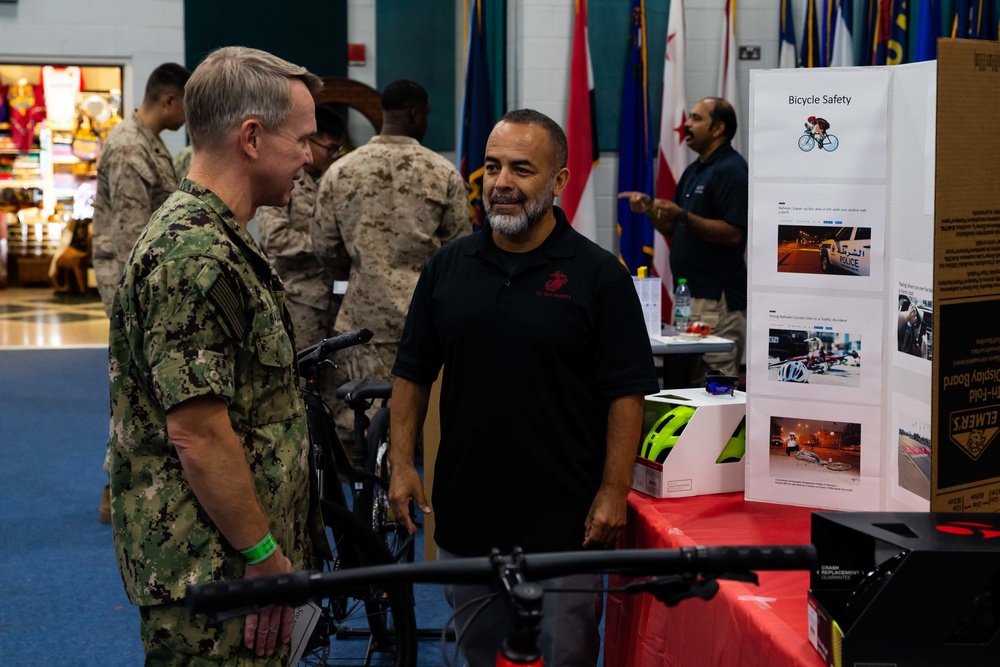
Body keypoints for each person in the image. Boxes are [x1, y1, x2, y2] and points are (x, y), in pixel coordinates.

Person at [388, 109, 659, 667]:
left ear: (558, 181)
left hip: (564, 524)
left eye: (521, 169)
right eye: (492, 167)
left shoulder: (599, 275)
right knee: (481, 656)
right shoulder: (447, 267)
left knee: (565, 657)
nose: (502, 183)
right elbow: (411, 371)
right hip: (466, 519)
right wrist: (400, 464)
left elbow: (626, 393)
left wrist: (613, 491)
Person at [107, 46, 328, 663]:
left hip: (233, 565)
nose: (309, 158)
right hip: (219, 576)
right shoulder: (195, 254)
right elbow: (198, 435)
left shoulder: (219, 237)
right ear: (252, 138)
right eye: (302, 139)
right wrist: (263, 558)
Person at [311, 79, 470, 446]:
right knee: (425, 432)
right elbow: (460, 250)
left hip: (363, 320)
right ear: (416, 114)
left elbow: (325, 247)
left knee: (361, 425)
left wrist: (360, 271)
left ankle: (367, 496)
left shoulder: (340, 172)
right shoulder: (442, 172)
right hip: (426, 319)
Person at [92, 61, 191, 524]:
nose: (188, 116)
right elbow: (134, 236)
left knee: (145, 382)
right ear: (169, 100)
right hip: (133, 285)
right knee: (138, 382)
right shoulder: (131, 147)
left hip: (141, 280)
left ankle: (126, 481)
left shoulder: (146, 142)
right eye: (186, 105)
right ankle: (118, 487)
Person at [619, 97, 748, 384]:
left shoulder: (732, 170)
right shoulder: (695, 171)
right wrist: (650, 210)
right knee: (682, 384)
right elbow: (674, 226)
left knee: (713, 387)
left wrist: (683, 216)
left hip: (717, 301)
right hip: (688, 300)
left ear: (718, 128)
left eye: (696, 118)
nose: (686, 124)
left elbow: (734, 233)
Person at [257, 103, 347, 361]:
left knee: (330, 383)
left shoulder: (329, 181)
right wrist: (326, 245)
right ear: (309, 141)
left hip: (330, 301)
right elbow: (275, 238)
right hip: (298, 303)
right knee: (301, 379)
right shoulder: (284, 180)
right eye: (330, 148)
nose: (334, 156)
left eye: (338, 150)